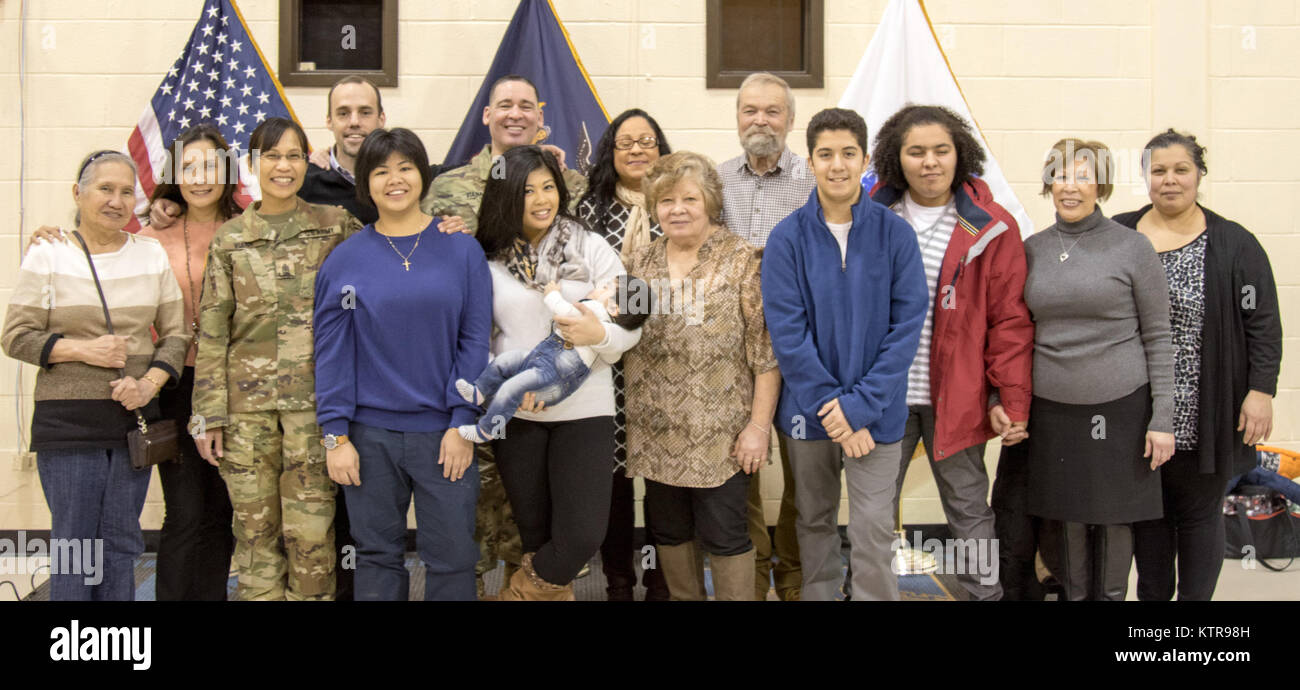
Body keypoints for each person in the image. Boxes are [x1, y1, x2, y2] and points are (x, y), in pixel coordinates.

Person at [313, 127, 492, 601]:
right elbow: (332, 353)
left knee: (453, 555)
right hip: (368, 437)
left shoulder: (462, 250)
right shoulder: (344, 261)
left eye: (406, 168)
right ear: (365, 184)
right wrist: (336, 436)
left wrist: (462, 423)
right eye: (380, 171)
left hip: (445, 433)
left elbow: (475, 341)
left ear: (423, 175)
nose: (395, 180)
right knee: (374, 554)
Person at [192, 117, 364, 601]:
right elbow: (212, 330)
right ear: (252, 165)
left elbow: (386, 265)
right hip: (246, 417)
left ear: (306, 162)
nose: (283, 166)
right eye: (272, 156)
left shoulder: (335, 226)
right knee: (254, 536)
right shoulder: (230, 239)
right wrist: (208, 415)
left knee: (311, 538)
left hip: (317, 411)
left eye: (293, 156)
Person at [3, 150, 187, 600]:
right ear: (78, 194)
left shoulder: (150, 253)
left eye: (127, 192)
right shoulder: (48, 253)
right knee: (74, 545)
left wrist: (149, 385)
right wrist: (82, 349)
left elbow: (177, 336)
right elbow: (15, 336)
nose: (116, 201)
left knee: (123, 541)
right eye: (105, 188)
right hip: (67, 426)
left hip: (132, 424)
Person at [867, 104, 1034, 602]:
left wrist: (1009, 397)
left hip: (958, 397)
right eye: (916, 152)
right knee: (874, 509)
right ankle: (872, 592)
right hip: (884, 396)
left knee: (968, 509)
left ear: (960, 154)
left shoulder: (992, 226)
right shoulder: (870, 217)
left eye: (941, 150)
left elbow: (1009, 322)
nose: (930, 162)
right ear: (897, 159)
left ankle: (985, 594)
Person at [762, 108, 928, 602]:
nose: (837, 165)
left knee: (874, 528)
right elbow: (788, 336)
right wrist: (835, 411)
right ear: (810, 161)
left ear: (865, 159)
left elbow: (906, 329)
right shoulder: (786, 238)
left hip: (878, 412)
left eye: (848, 153)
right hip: (808, 415)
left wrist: (858, 409)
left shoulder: (896, 235)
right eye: (825, 154)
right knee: (812, 522)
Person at [1113, 129, 1282, 601]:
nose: (1169, 180)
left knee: (1197, 515)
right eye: (1158, 170)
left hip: (1207, 409)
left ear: (1199, 174)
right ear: (1145, 177)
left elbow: (1263, 323)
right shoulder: (1119, 233)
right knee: (1148, 516)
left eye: (1180, 169)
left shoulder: (1233, 243)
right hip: (1136, 410)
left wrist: (1260, 390)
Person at [473, 145, 641, 600]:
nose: (542, 198)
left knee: (581, 536)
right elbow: (476, 338)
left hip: (585, 410)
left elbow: (633, 325)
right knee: (536, 538)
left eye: (549, 186)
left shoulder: (589, 245)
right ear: (507, 195)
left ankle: (517, 595)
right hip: (520, 413)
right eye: (528, 190)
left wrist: (597, 335)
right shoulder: (485, 260)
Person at [624, 151, 780, 601]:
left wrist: (757, 428)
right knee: (669, 534)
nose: (677, 209)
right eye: (667, 200)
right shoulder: (640, 263)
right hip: (657, 432)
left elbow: (765, 356)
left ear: (710, 202)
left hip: (723, 437)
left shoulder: (742, 260)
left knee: (727, 535)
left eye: (689, 198)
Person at [1024, 138, 1175, 601]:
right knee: (1065, 517)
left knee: (1112, 516)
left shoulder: (1133, 248)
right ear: (1050, 182)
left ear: (1101, 186)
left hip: (1120, 406)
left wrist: (1162, 420)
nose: (1071, 187)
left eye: (1083, 177)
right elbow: (1013, 332)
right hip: (1051, 409)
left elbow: (1159, 336)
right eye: (1062, 175)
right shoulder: (1030, 249)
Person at [719, 72, 814, 602]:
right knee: (742, 474)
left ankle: (795, 576)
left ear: (790, 120)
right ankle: (752, 579)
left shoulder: (813, 180)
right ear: (737, 118)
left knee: (806, 472)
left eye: (772, 111)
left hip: (800, 349)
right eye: (750, 110)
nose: (760, 120)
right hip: (736, 355)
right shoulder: (714, 179)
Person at [138, 125, 240, 601]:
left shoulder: (249, 227)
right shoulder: (149, 234)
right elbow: (97, 255)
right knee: (184, 511)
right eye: (189, 167)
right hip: (175, 384)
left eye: (211, 166)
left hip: (234, 385)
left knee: (222, 511)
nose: (200, 178)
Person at [575, 107, 672, 601]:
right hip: (606, 364)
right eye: (626, 143)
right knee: (612, 482)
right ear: (611, 154)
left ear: (661, 148)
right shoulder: (588, 211)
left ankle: (659, 583)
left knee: (659, 477)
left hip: (664, 363)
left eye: (647, 141)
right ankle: (617, 581)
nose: (637, 150)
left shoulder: (677, 204)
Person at [457, 276, 652, 444]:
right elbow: (615, 352)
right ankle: (479, 392)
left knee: (510, 385)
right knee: (508, 361)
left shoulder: (595, 312)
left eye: (606, 288)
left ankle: (487, 429)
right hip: (543, 362)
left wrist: (552, 293)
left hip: (553, 374)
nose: (600, 286)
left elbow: (565, 312)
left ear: (615, 308)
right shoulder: (605, 322)